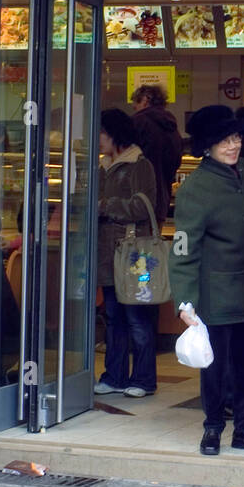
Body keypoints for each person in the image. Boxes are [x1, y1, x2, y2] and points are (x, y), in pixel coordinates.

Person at [169, 105, 244, 457]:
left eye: (237, 137)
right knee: (213, 367)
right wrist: (185, 302)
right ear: (207, 146)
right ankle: (212, 428)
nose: (233, 145)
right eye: (224, 140)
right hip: (214, 294)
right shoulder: (194, 189)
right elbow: (183, 248)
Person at [95, 108, 160, 398]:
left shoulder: (139, 164)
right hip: (108, 256)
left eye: (103, 133)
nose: (98, 139)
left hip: (136, 256)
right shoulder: (102, 165)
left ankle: (144, 378)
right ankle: (115, 376)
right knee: (114, 317)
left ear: (115, 134)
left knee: (138, 318)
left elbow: (144, 206)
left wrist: (105, 206)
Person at [130, 85, 183, 222]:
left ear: (145, 100)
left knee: (134, 242)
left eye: (136, 103)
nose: (134, 107)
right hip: (162, 197)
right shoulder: (171, 126)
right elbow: (176, 160)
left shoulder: (139, 122)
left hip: (138, 199)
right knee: (154, 241)